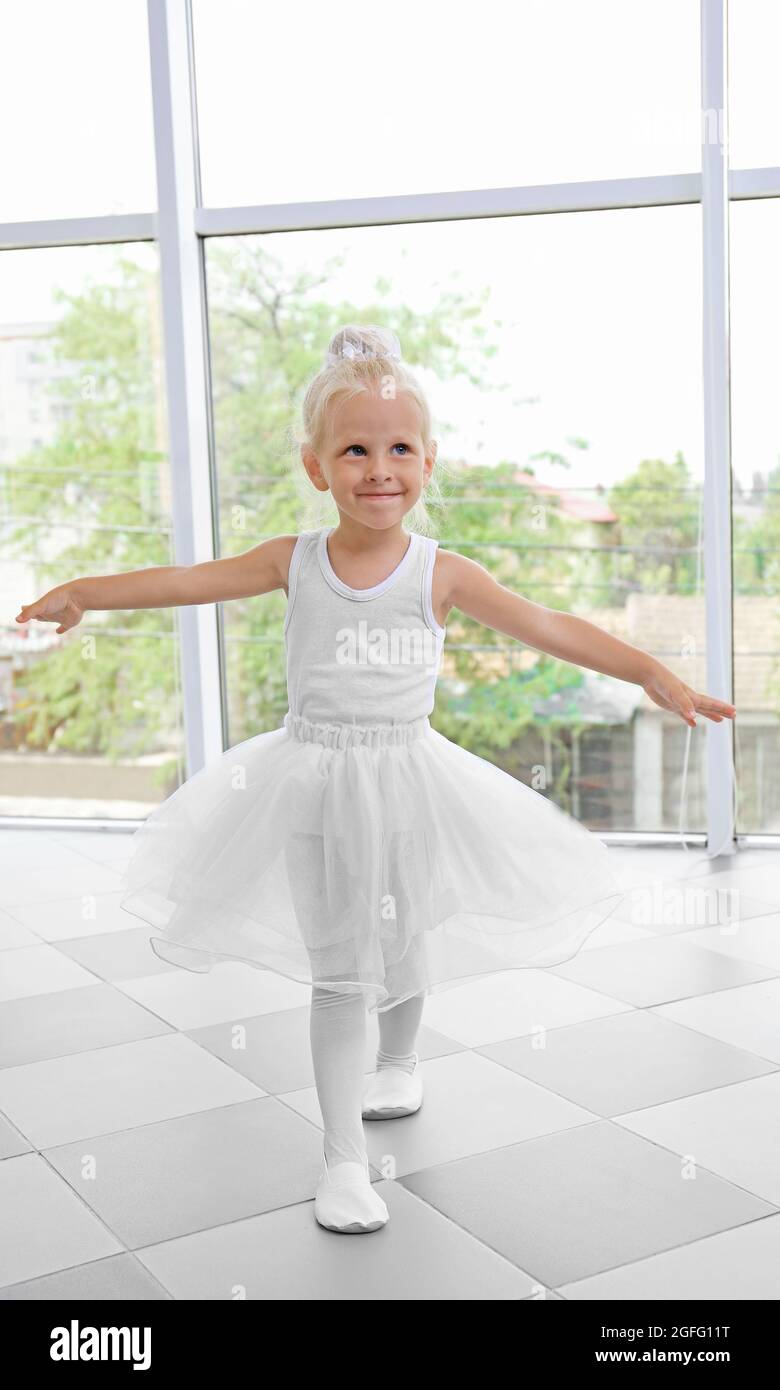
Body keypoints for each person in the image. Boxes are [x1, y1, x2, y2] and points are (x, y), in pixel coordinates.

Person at [16, 323, 736, 1235]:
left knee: (405, 932)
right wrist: (87, 587)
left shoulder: (443, 572)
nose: (378, 468)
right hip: (311, 780)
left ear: (428, 462)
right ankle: (342, 1159)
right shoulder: (294, 561)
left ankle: (400, 1060)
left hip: (410, 778)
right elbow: (189, 581)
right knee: (338, 970)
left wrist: (651, 673)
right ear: (318, 467)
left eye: (399, 449)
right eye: (354, 449)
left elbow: (549, 624)